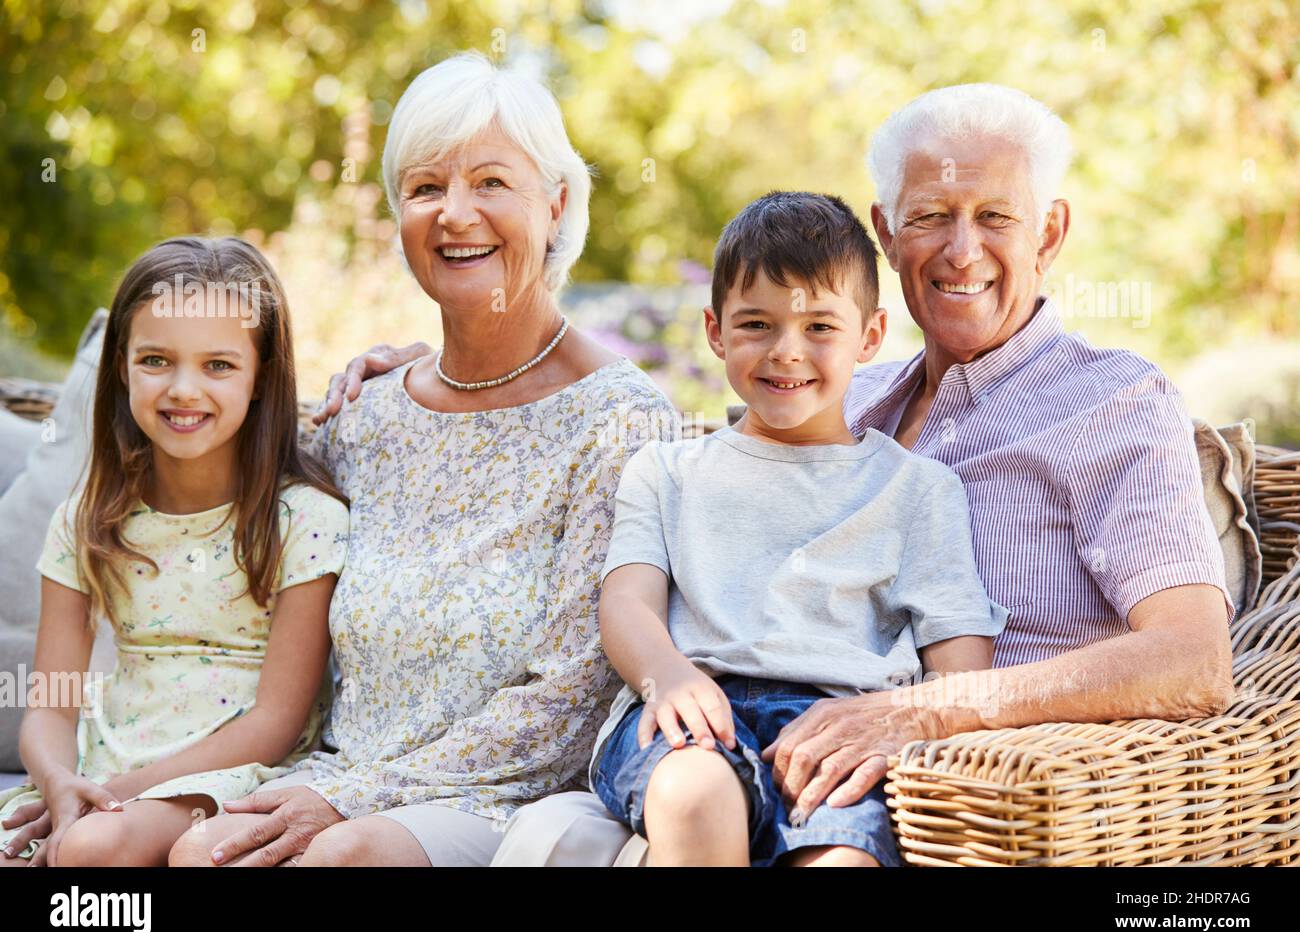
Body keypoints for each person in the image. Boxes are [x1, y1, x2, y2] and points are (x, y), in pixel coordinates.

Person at [488, 83, 1236, 866]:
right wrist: (453, 365)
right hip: (735, 756)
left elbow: (1194, 659)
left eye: (995, 216)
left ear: (1049, 232)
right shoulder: (848, 390)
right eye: (929, 216)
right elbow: (707, 463)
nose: (961, 249)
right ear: (885, 232)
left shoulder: (1112, 402)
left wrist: (930, 711)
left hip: (987, 801)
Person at [166, 51, 678, 868]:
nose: (455, 214)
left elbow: (570, 702)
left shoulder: (622, 422)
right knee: (203, 856)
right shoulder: (368, 415)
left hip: (511, 797)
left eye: (491, 183)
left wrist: (347, 800)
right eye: (426, 187)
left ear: (557, 204)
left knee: (335, 861)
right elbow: (230, 473)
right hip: (342, 775)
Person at [590, 191, 1006, 867]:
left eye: (819, 327)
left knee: (844, 862)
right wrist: (664, 675)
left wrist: (923, 732)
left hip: (842, 722)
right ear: (716, 330)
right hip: (694, 706)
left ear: (870, 337)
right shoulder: (666, 471)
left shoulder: (918, 490)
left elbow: (958, 654)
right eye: (757, 323)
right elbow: (628, 598)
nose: (787, 352)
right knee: (698, 797)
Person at [0, 236, 349, 867]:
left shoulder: (306, 520)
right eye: (157, 360)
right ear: (123, 368)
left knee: (90, 849)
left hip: (227, 776)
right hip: (101, 775)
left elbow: (275, 722)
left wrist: (110, 801)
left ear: (260, 377)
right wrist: (58, 782)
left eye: (218, 365)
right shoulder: (86, 519)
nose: (184, 389)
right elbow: (49, 705)